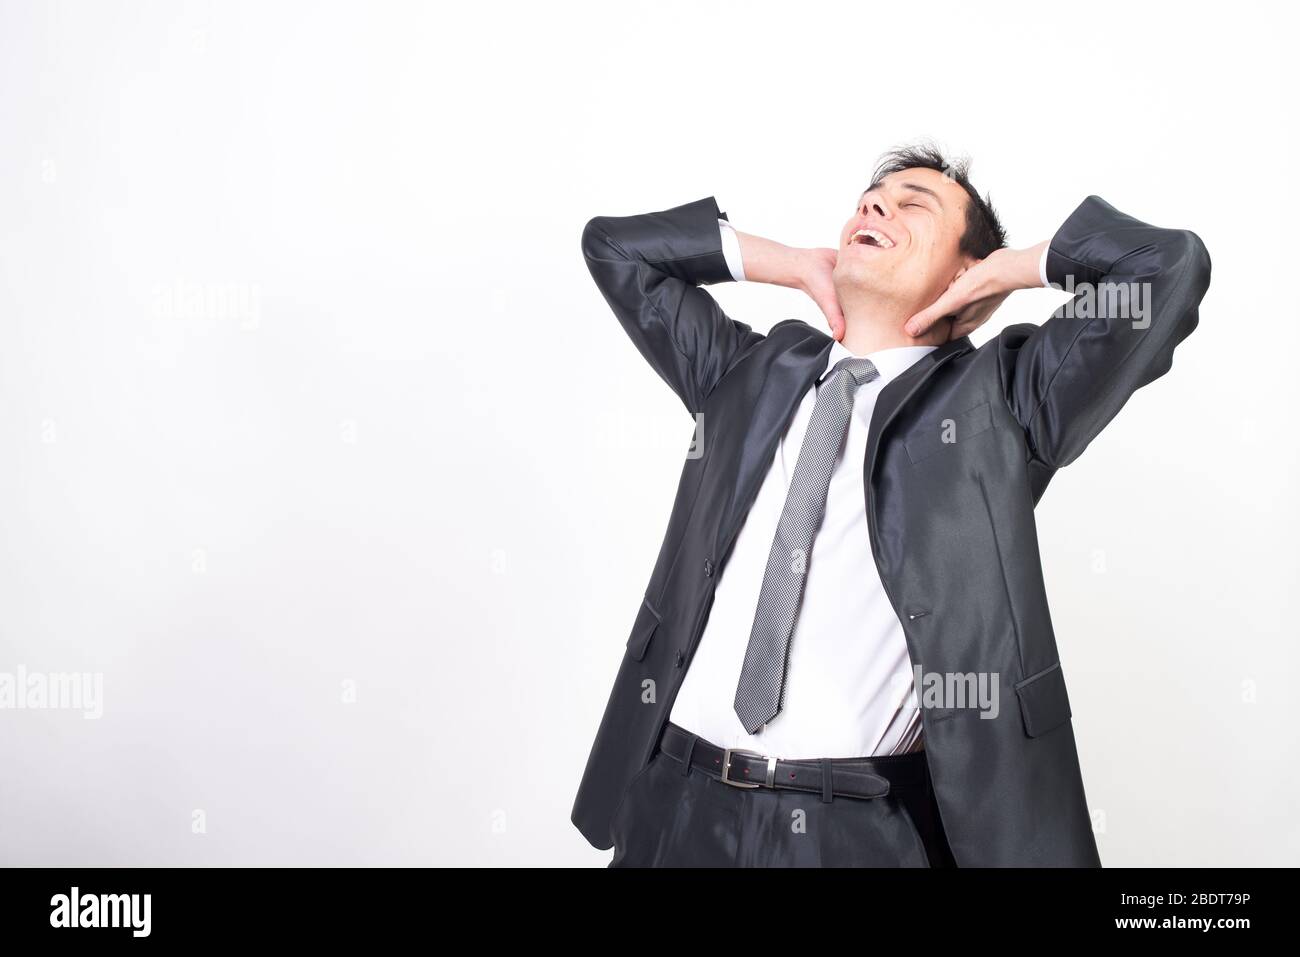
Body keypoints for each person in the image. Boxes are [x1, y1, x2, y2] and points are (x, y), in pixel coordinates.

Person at [571, 144, 1211, 866]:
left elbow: (1169, 268)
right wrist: (792, 262)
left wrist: (1012, 268)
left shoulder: (1003, 402)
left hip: (857, 833)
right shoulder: (748, 372)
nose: (874, 205)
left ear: (965, 276)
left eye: (915, 206)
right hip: (674, 808)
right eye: (871, 197)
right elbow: (614, 249)